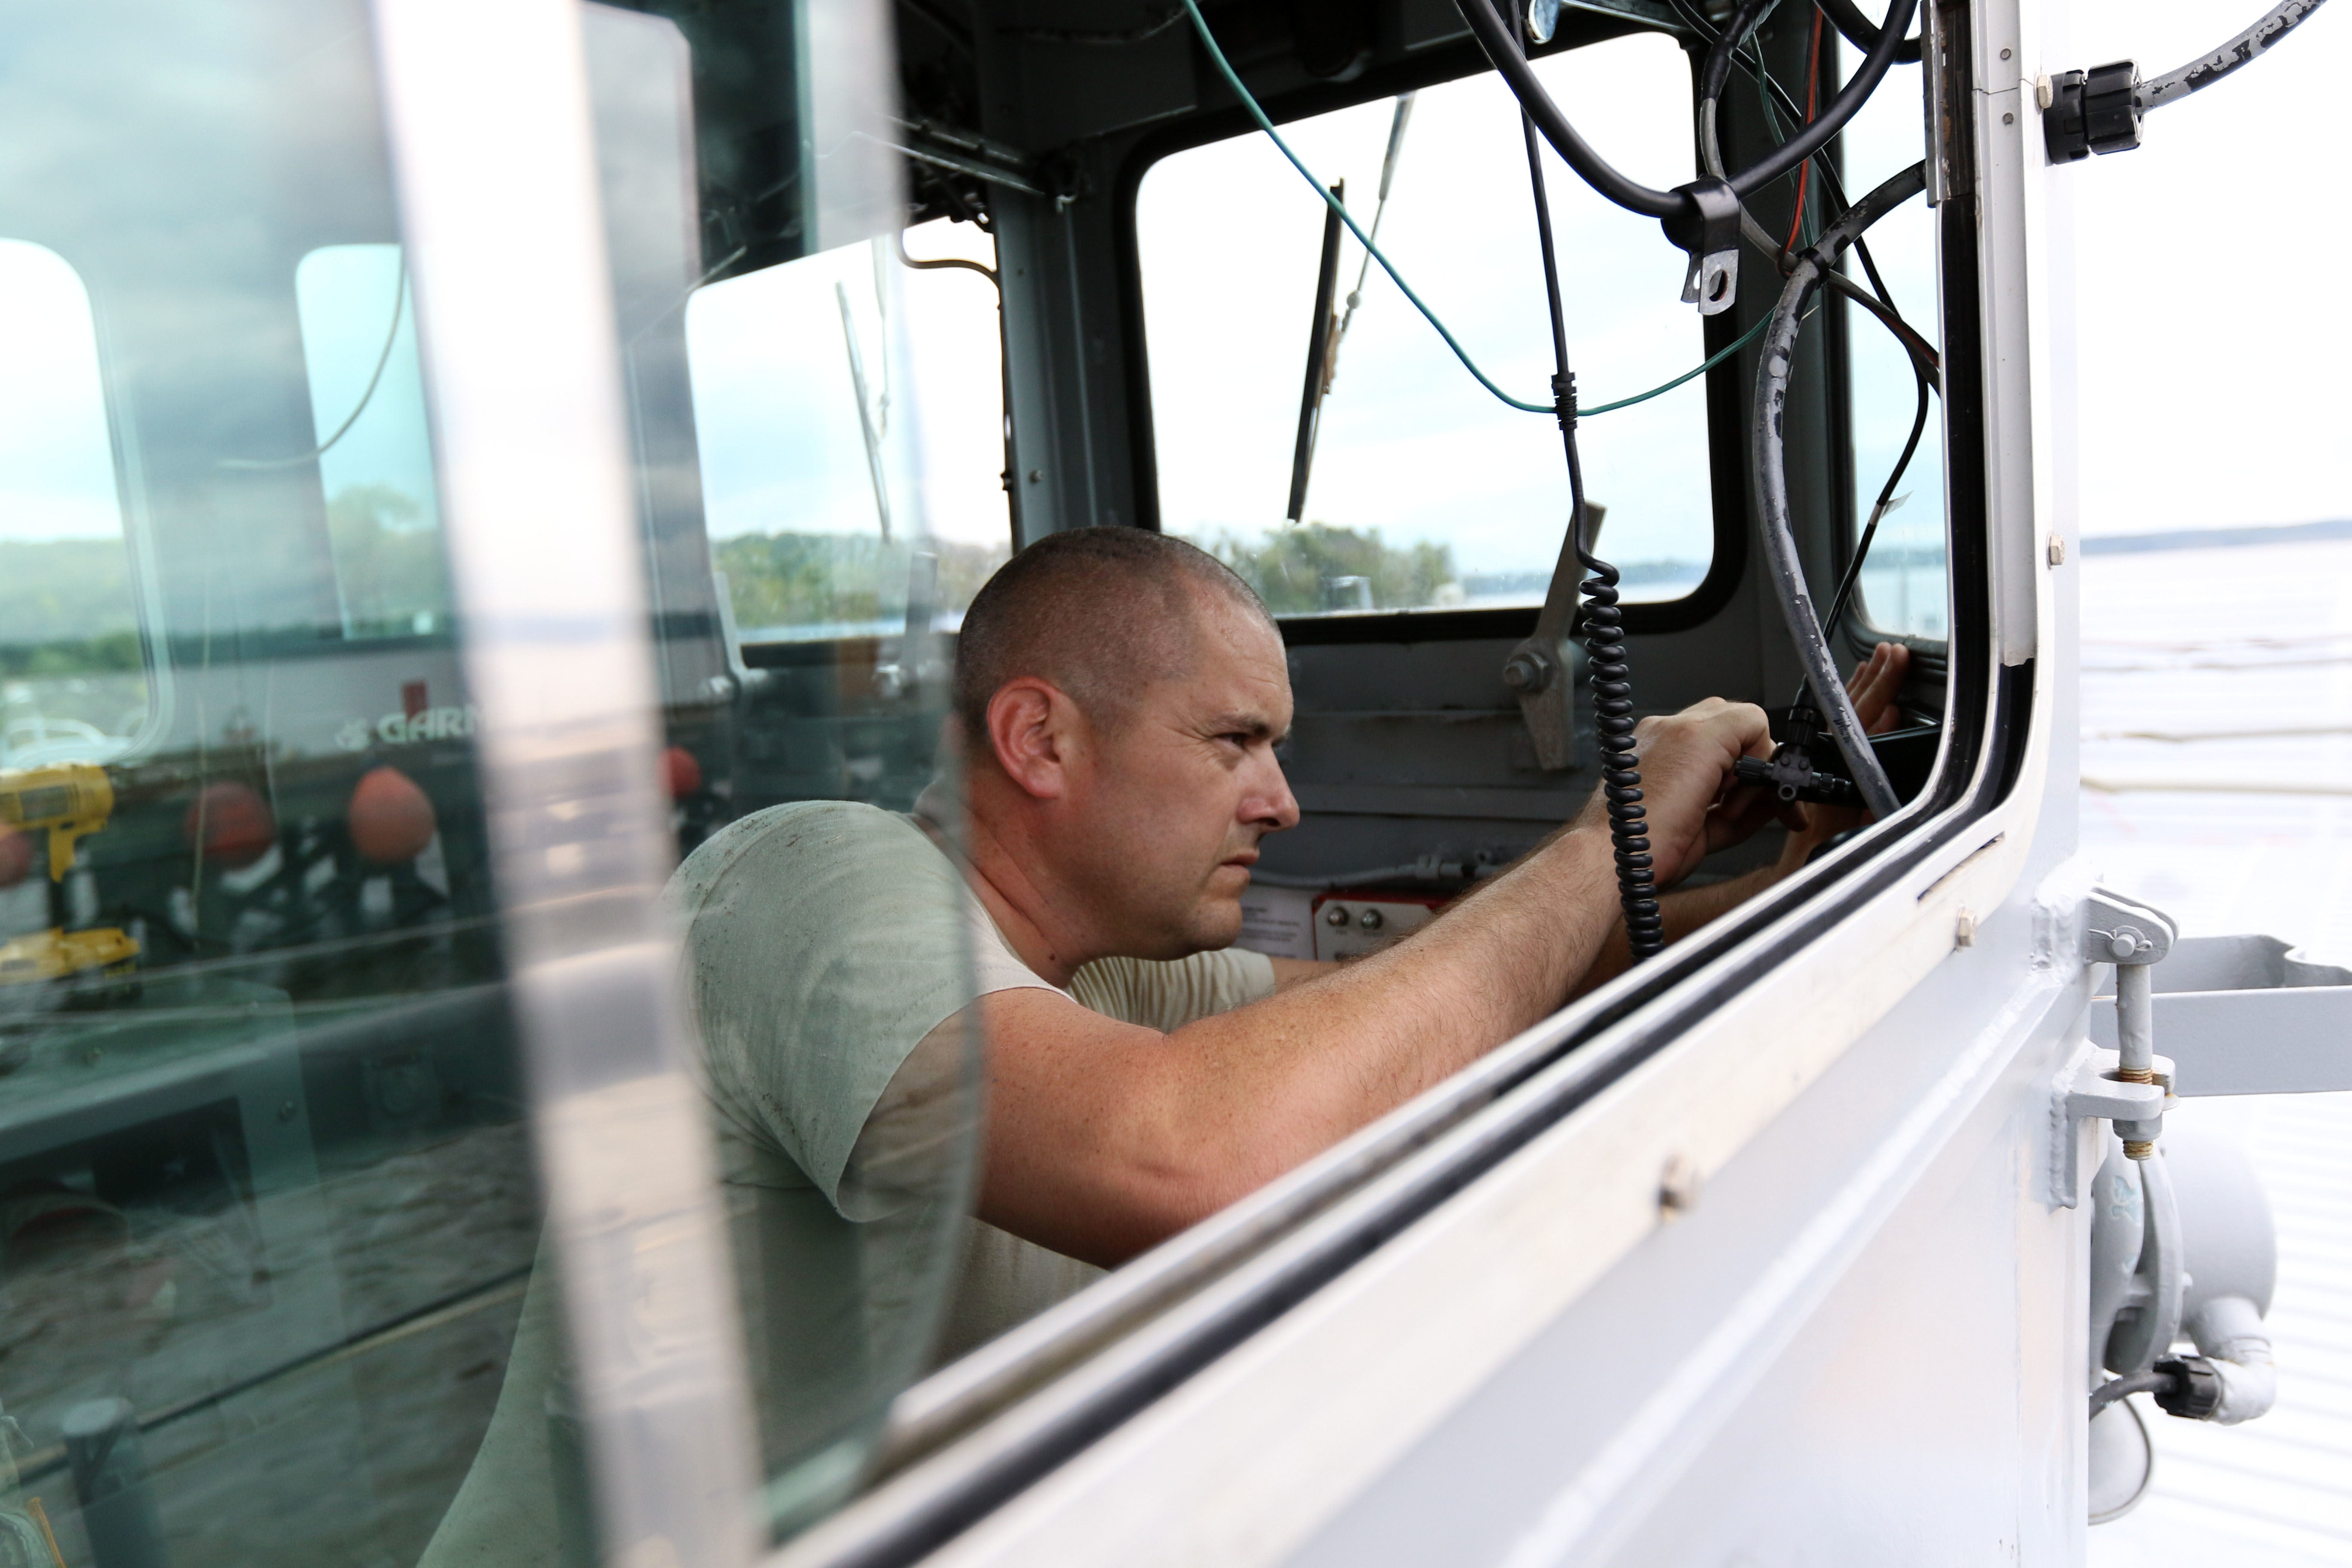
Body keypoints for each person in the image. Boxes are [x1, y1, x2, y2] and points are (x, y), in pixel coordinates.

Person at [420, 528, 1908, 1565]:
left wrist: (1780, 880)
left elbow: (1432, 1029)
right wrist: (1611, 834)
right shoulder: (813, 879)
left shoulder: (1111, 985)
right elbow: (1196, 1159)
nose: (1282, 803)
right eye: (1233, 742)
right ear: (1039, 742)